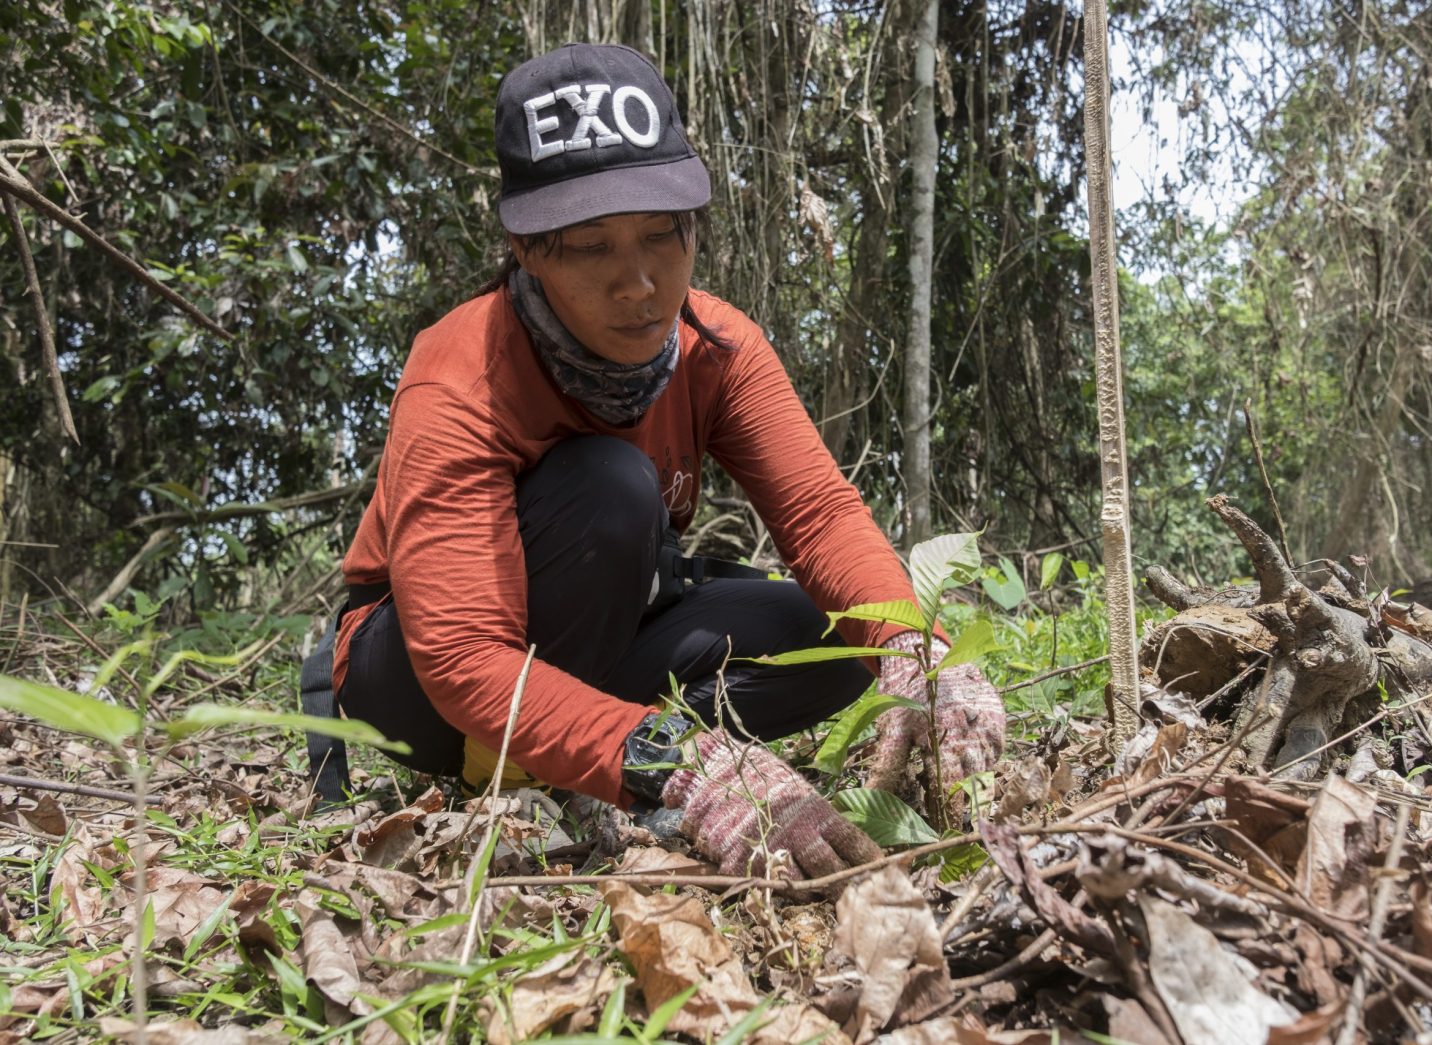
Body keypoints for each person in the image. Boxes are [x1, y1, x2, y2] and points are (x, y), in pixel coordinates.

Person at [309, 42, 1005, 879]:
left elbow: (818, 515)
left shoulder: (717, 346)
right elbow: (463, 654)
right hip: (424, 686)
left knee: (826, 634)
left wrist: (912, 647)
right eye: (591, 248)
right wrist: (672, 764)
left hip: (593, 647)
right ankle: (575, 770)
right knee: (610, 488)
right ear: (527, 248)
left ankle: (589, 751)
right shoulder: (460, 377)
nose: (639, 282)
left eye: (662, 236)